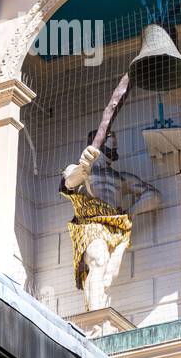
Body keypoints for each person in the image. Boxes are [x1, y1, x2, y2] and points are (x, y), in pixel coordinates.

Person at [60, 132, 160, 311]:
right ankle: (96, 318)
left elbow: (154, 197)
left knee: (109, 274)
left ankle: (96, 309)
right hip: (90, 223)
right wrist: (84, 167)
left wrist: (130, 212)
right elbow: (69, 182)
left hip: (115, 227)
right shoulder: (79, 170)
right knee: (98, 259)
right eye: (107, 147)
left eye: (112, 150)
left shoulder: (121, 178)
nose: (110, 152)